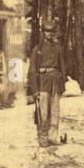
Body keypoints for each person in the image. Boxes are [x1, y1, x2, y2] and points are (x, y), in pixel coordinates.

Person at [28, 19, 65, 147]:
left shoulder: (58, 48)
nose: (49, 34)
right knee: (43, 112)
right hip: (43, 82)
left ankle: (53, 137)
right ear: (43, 32)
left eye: (51, 31)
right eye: (47, 31)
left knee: (55, 111)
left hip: (55, 82)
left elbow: (62, 67)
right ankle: (42, 137)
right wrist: (34, 89)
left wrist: (62, 85)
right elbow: (32, 70)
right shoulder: (37, 49)